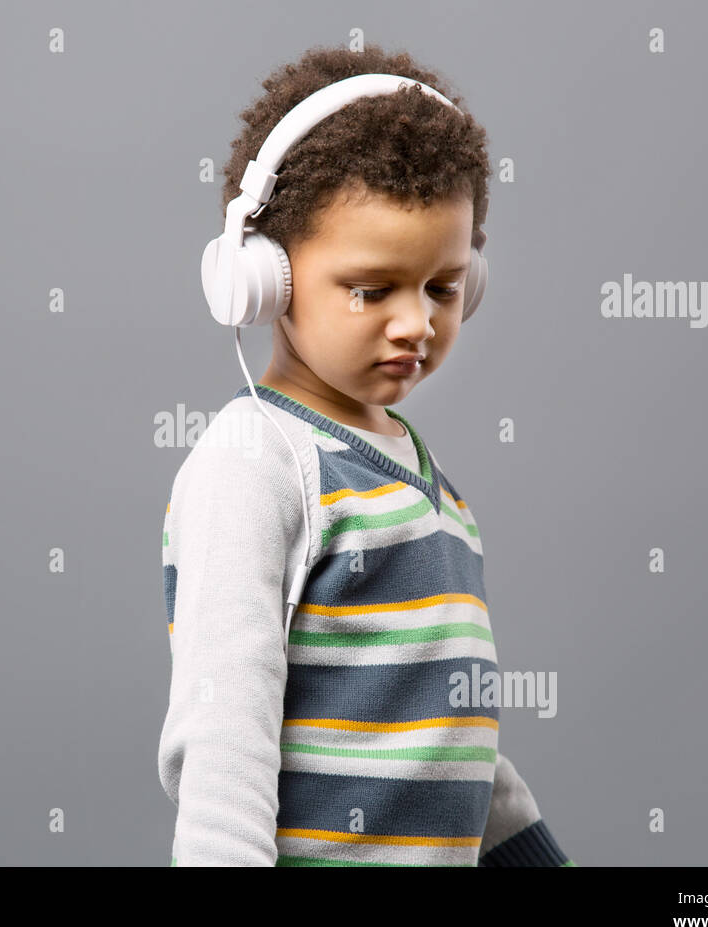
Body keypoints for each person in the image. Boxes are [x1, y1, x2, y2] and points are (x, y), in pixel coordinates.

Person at [158, 43, 575, 867]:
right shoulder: (255, 463)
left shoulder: (426, 484)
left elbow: (452, 741)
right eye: (371, 289)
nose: (416, 323)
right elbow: (223, 739)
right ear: (261, 281)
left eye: (443, 288)